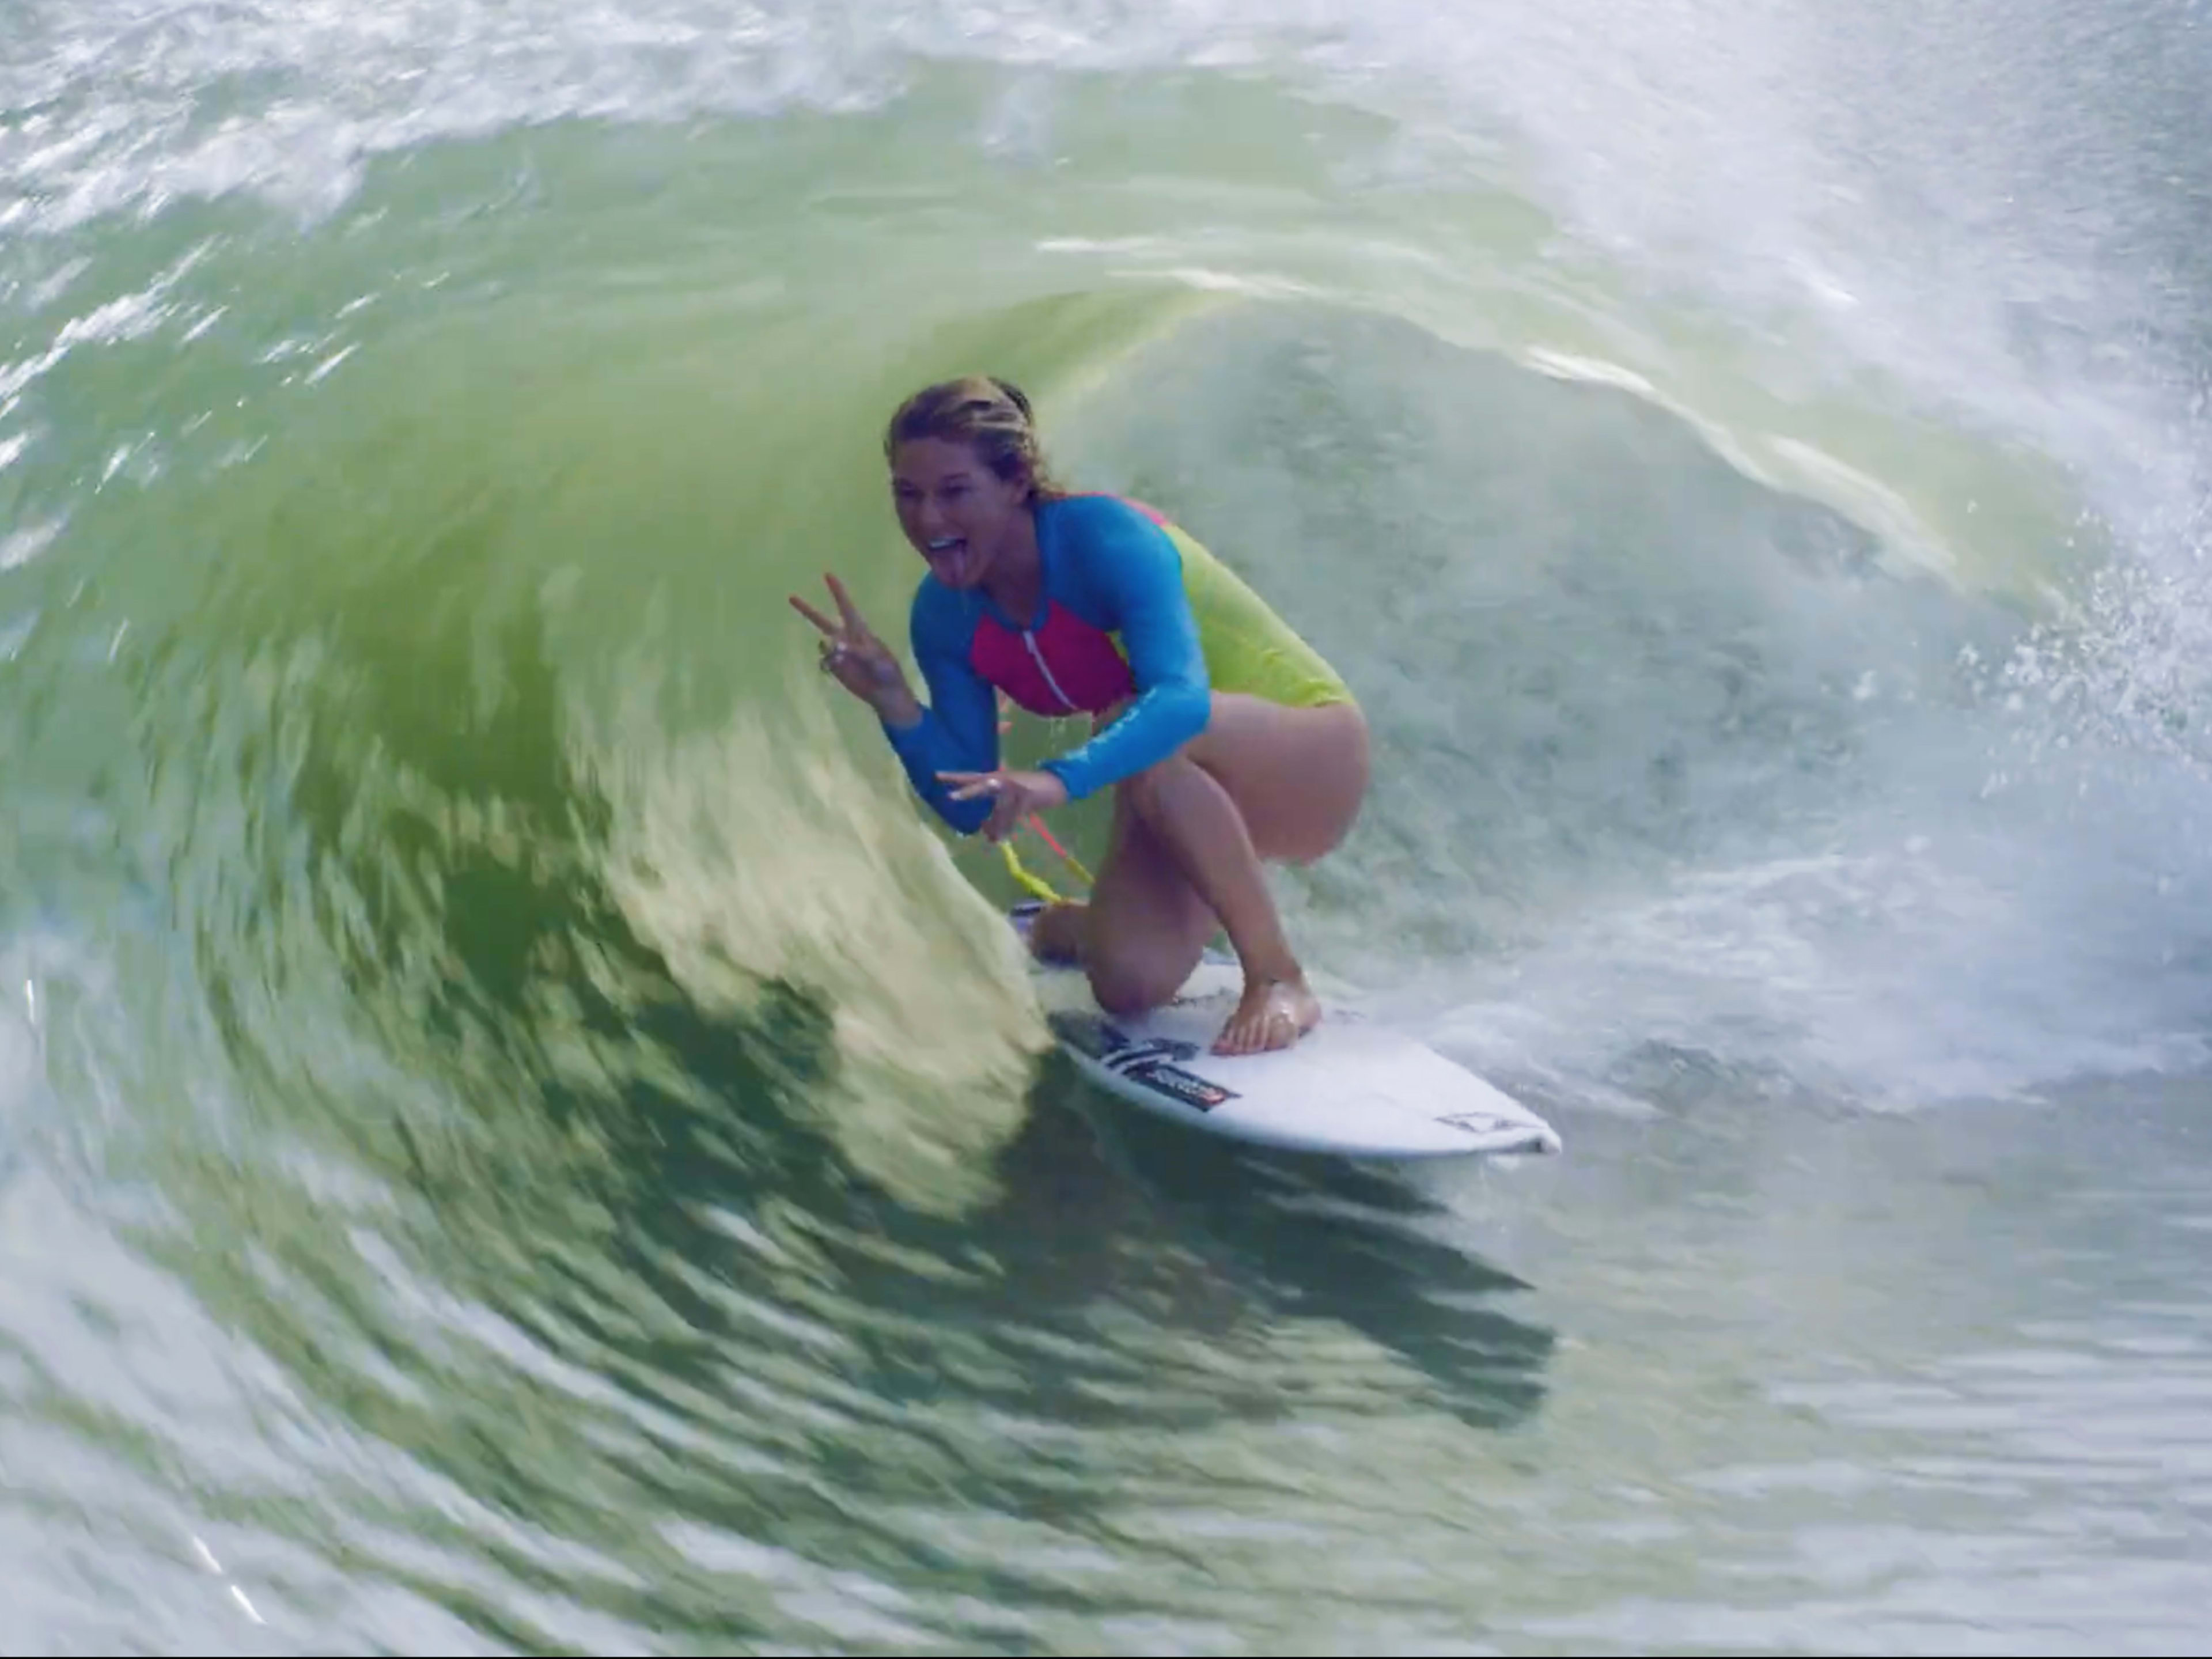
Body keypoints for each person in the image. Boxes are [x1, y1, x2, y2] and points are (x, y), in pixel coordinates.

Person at [790, 376, 1369, 1056]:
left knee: (1139, 718)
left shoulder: (1106, 540)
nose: (928, 521)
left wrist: (1056, 781)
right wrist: (893, 701)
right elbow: (977, 807)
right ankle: (1078, 926)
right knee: (1128, 985)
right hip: (1185, 799)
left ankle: (1278, 978)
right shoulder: (945, 617)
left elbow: (1179, 700)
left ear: (1014, 483)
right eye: (908, 496)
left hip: (1306, 758)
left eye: (954, 492)